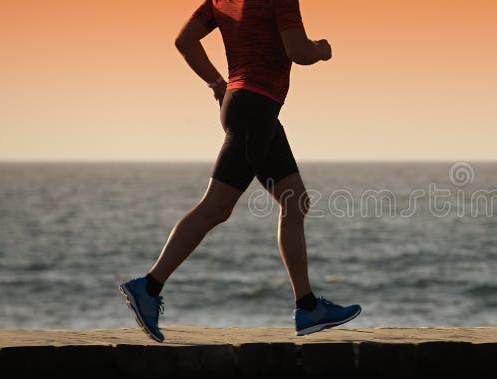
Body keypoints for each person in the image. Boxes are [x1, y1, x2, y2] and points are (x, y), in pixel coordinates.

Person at [119, 0, 361, 343]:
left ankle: (307, 308)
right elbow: (298, 51)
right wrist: (321, 50)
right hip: (256, 110)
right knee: (217, 206)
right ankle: (149, 286)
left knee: (295, 201)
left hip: (244, 104)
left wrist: (216, 82)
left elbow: (184, 41)